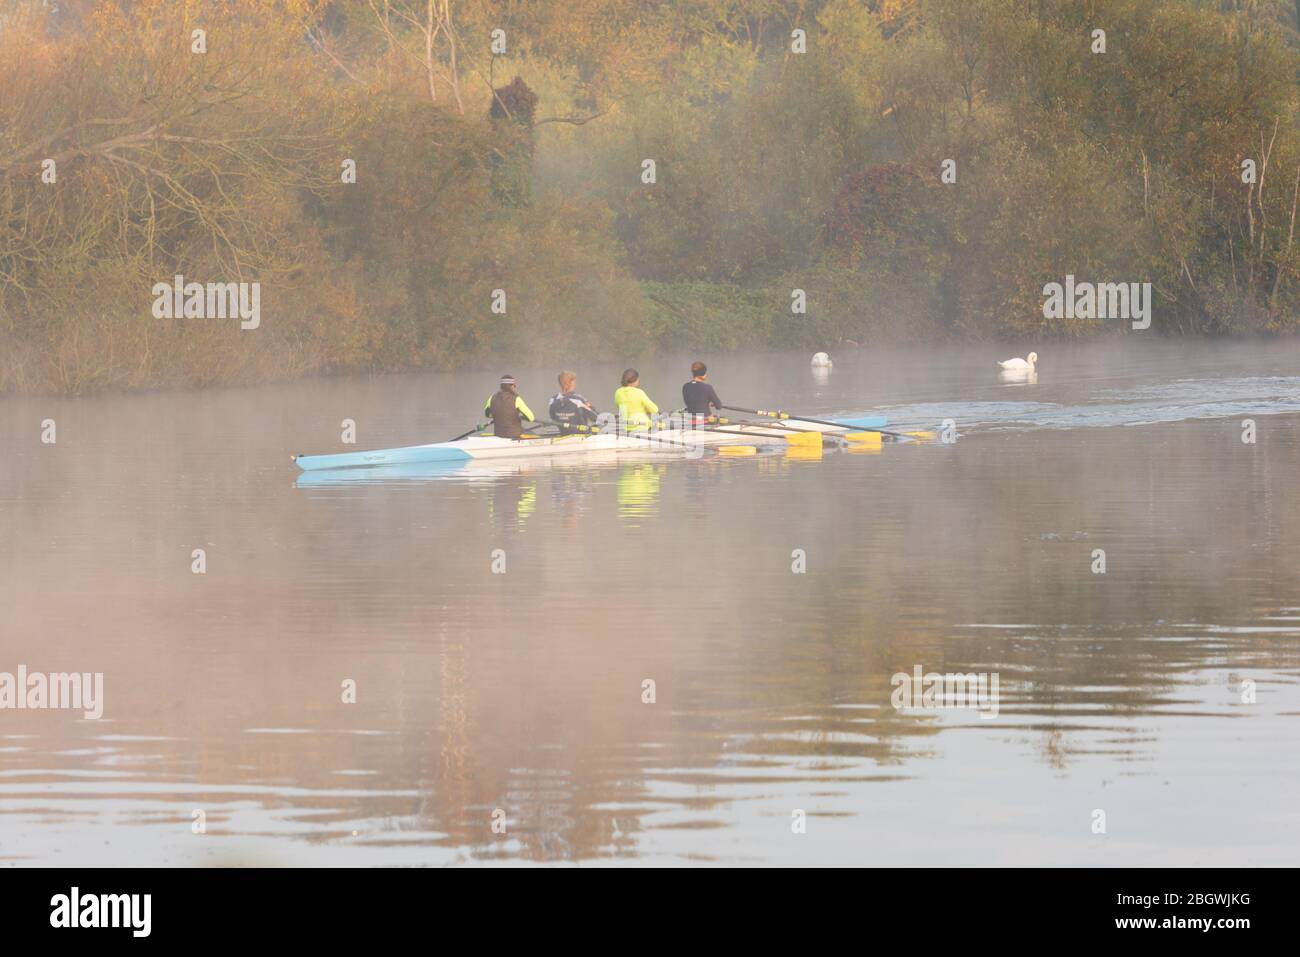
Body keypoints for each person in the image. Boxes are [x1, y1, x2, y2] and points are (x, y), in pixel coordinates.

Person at [484, 374, 535, 439]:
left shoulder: (491, 398)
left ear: (501, 386)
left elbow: (487, 415)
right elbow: (531, 418)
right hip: (514, 436)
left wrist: (499, 415)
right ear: (511, 386)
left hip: (499, 435)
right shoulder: (516, 399)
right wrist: (519, 417)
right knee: (529, 432)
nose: (515, 387)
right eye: (514, 385)